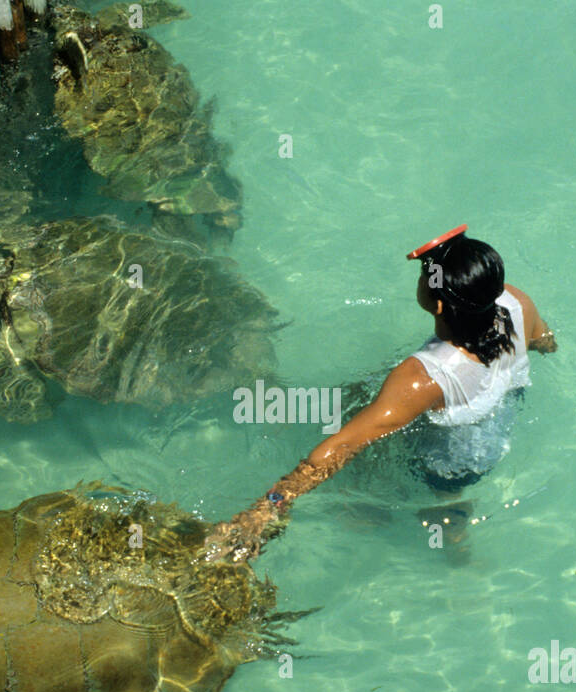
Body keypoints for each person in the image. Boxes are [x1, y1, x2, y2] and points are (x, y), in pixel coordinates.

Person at [202, 225, 556, 564]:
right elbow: (545, 342)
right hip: (501, 417)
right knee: (359, 402)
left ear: (438, 307)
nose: (419, 279)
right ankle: (453, 541)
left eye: (423, 276)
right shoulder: (516, 302)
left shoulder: (422, 379)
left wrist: (268, 507)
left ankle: (455, 550)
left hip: (454, 463)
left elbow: (342, 447)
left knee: (427, 500)